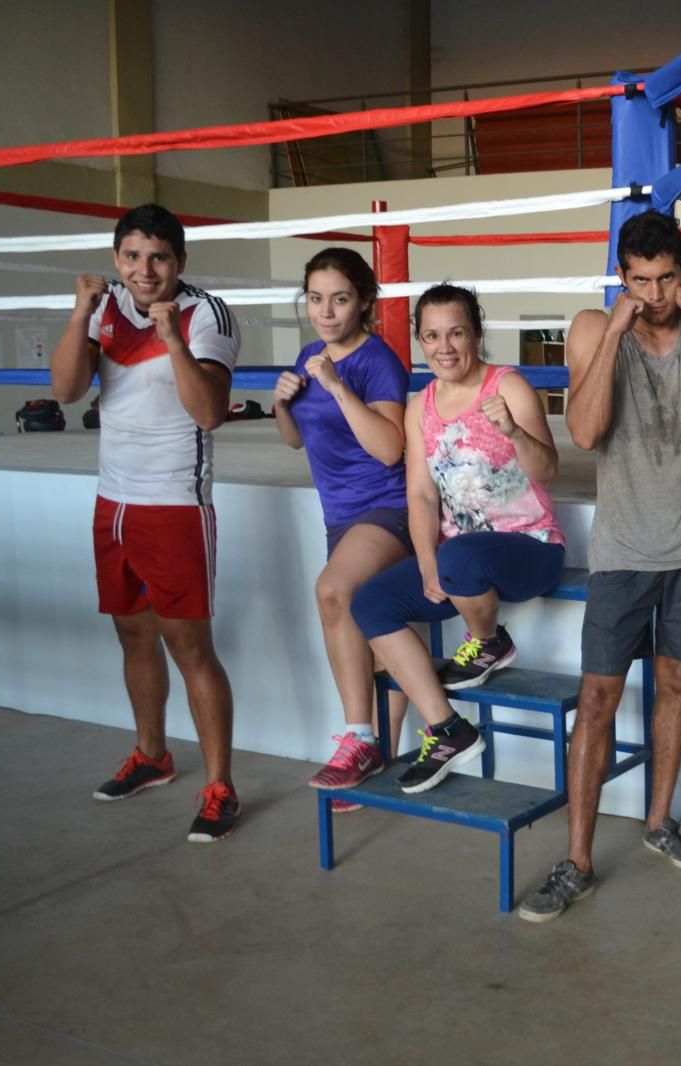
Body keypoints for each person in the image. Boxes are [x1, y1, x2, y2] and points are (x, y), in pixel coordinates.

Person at [518, 210, 681, 922]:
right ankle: (577, 861)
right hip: (624, 549)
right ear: (623, 275)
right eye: (640, 280)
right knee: (597, 700)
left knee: (675, 686)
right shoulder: (596, 327)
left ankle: (658, 822)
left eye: (666, 278)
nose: (653, 293)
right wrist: (616, 331)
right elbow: (585, 431)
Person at [50, 203, 242, 842]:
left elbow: (210, 412)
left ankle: (219, 787)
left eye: (158, 257)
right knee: (133, 636)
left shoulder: (205, 313)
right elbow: (66, 391)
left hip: (175, 503)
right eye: (132, 256)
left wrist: (173, 340)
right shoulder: (104, 310)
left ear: (180, 262)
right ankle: (153, 755)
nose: (145, 269)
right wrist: (80, 315)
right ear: (116, 259)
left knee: (190, 647)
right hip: (115, 501)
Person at [350, 284, 565, 794]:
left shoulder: (507, 385)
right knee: (371, 604)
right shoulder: (419, 405)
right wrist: (426, 561)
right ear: (420, 341)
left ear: (477, 334)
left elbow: (549, 469)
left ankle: (489, 641)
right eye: (431, 336)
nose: (444, 347)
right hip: (458, 564)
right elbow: (421, 496)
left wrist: (514, 431)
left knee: (461, 555)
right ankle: (448, 729)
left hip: (530, 549)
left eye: (456, 333)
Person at [272, 248, 411, 801]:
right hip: (341, 517)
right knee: (376, 640)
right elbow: (295, 440)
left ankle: (357, 739)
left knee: (332, 592)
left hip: (389, 508)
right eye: (315, 298)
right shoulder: (310, 354)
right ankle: (385, 757)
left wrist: (335, 386)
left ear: (364, 302)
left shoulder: (377, 360)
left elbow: (388, 449)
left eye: (340, 298)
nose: (326, 311)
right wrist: (283, 405)